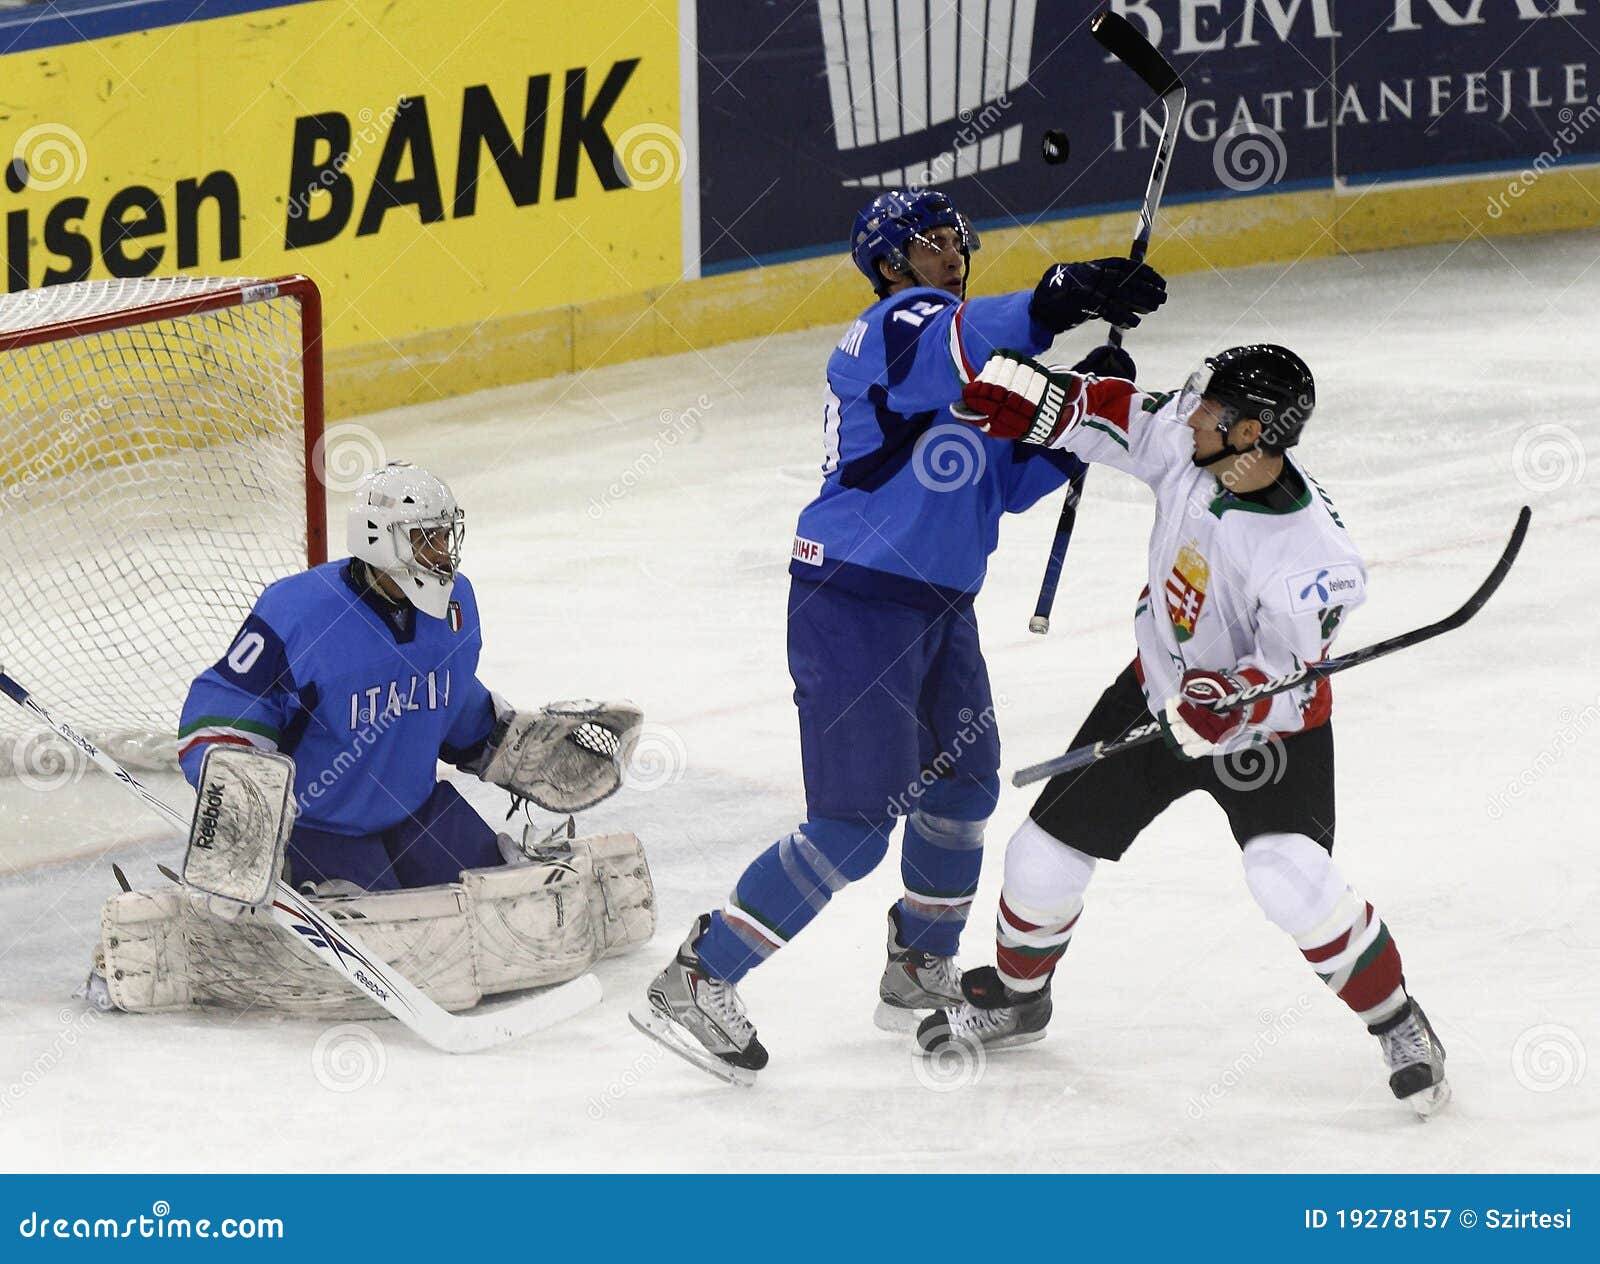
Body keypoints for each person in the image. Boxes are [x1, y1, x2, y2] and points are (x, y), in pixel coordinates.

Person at [631, 188, 1168, 1083]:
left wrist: (1087, 416)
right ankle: (700, 973)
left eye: (955, 237)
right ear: (889, 264)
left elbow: (1006, 476)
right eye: (929, 242)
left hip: (939, 604)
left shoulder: (974, 365)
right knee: (852, 826)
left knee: (962, 789)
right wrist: (1059, 298)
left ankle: (919, 966)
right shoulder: (894, 328)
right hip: (855, 597)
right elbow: (956, 343)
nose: (951, 251)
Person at [916, 344, 1450, 1117]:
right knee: (1039, 861)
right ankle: (1019, 999)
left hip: (1268, 740)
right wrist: (1046, 403)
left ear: (1254, 431)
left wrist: (1233, 699)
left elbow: (1292, 679)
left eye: (1214, 407)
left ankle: (1399, 1021)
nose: (1194, 412)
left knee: (1288, 879)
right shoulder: (1193, 446)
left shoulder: (1313, 557)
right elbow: (1117, 415)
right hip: (1155, 697)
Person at [176, 461, 636, 893]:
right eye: (425, 538)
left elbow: (444, 697)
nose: (442, 552)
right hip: (323, 825)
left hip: (418, 812)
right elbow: (229, 701)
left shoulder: (457, 606)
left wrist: (504, 743)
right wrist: (235, 787)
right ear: (379, 539)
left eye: (444, 536)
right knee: (386, 930)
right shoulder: (299, 611)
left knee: (503, 898)